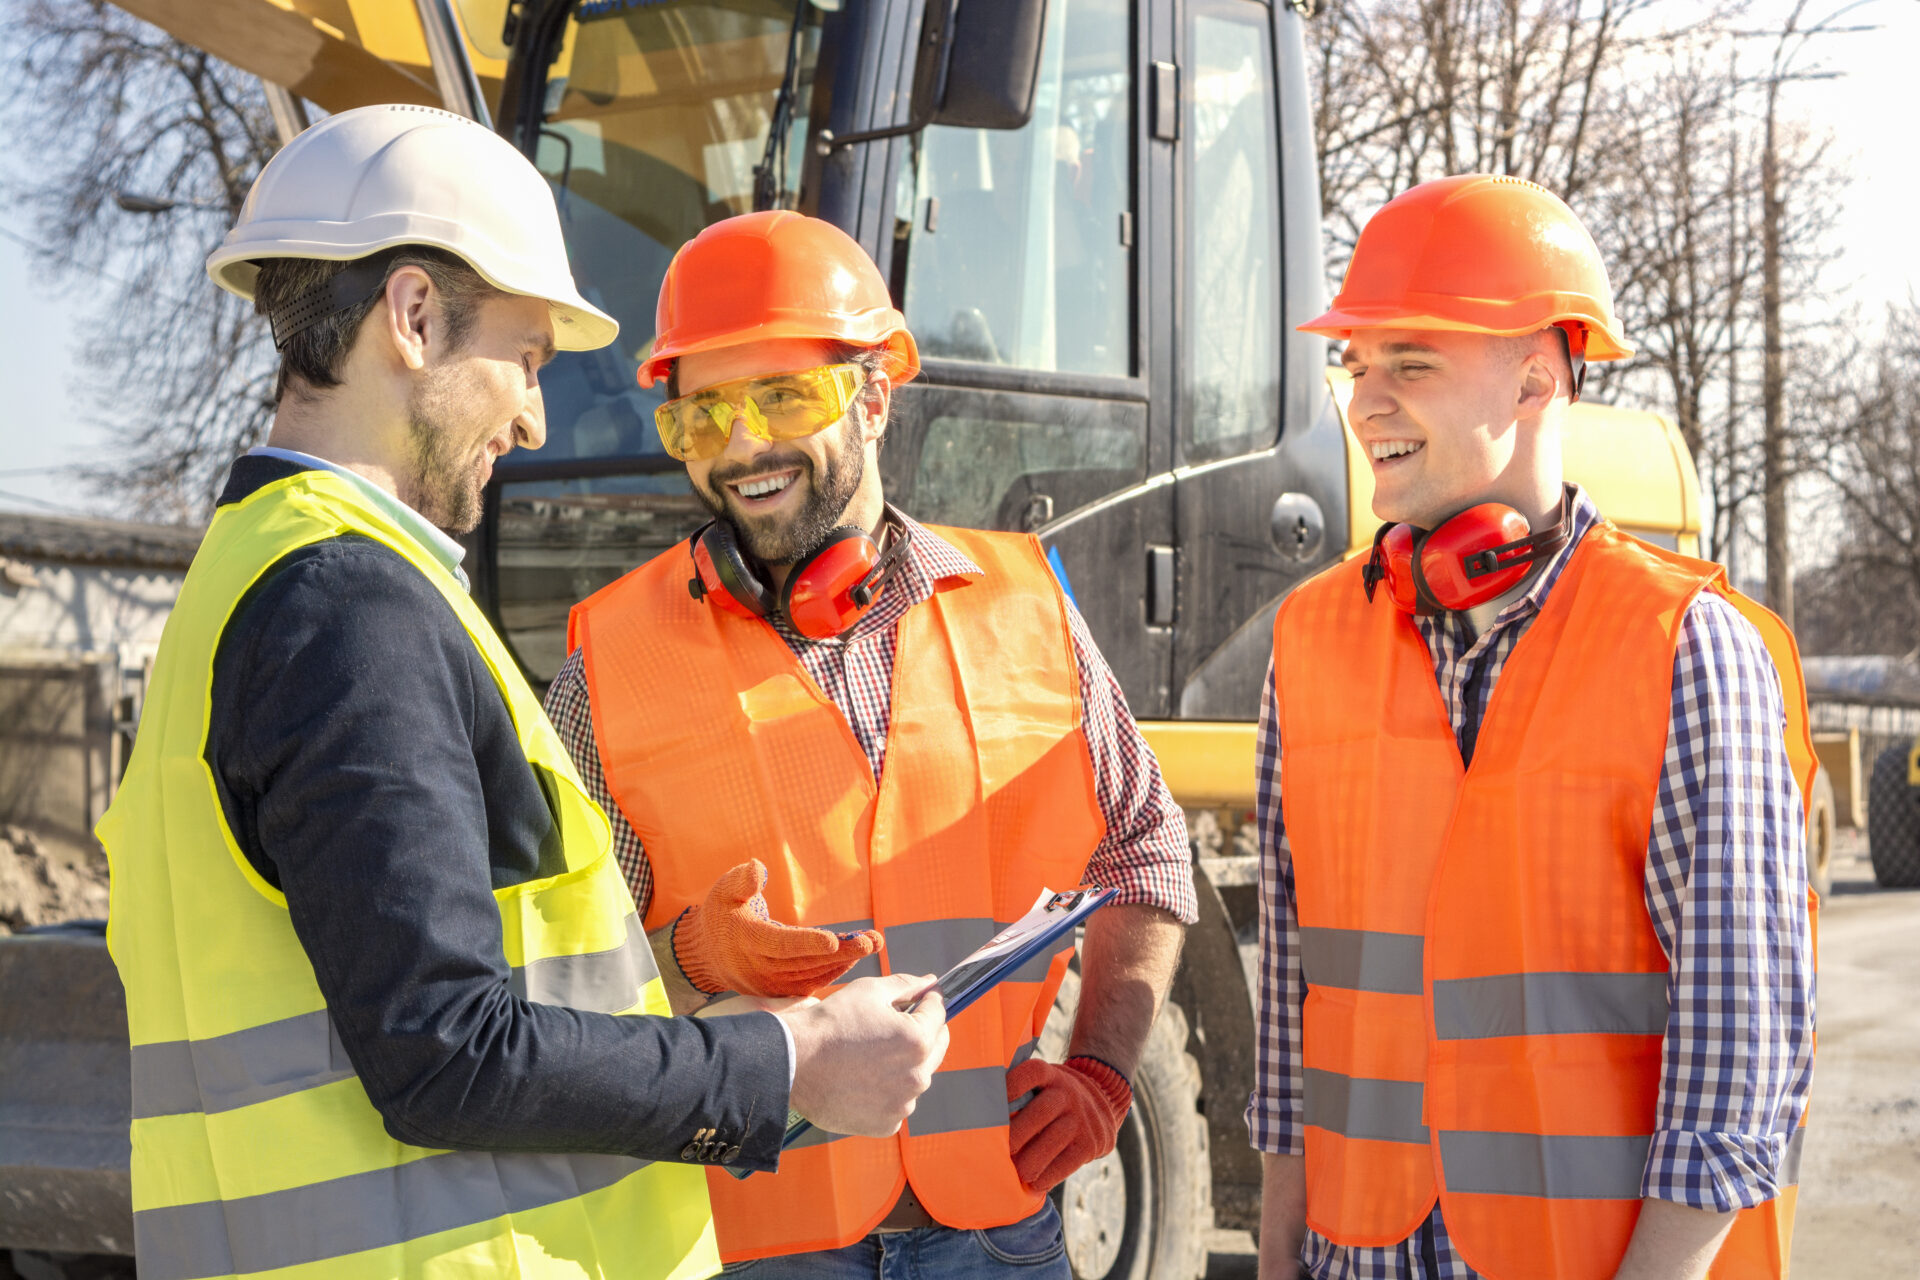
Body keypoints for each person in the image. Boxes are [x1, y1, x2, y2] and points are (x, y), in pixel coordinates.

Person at [97, 106, 946, 1280]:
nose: (536, 417)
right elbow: (447, 1048)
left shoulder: (258, 576)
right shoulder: (346, 607)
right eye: (528, 359)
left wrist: (685, 965)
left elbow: (422, 979)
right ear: (413, 315)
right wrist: (788, 1061)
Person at [548, 209, 1198, 1275]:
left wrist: (1102, 1072)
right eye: (701, 416)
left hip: (999, 1232)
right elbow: (556, 995)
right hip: (754, 1244)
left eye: (784, 396)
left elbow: (1144, 847)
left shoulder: (1025, 605)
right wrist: (687, 961)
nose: (744, 446)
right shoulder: (607, 665)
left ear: (878, 393)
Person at [1247, 175, 1818, 1280]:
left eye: (1411, 362)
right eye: (1359, 364)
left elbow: (1739, 1066)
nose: (1364, 404)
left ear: (1539, 375)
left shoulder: (1686, 647)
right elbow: (1291, 1033)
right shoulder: (1308, 642)